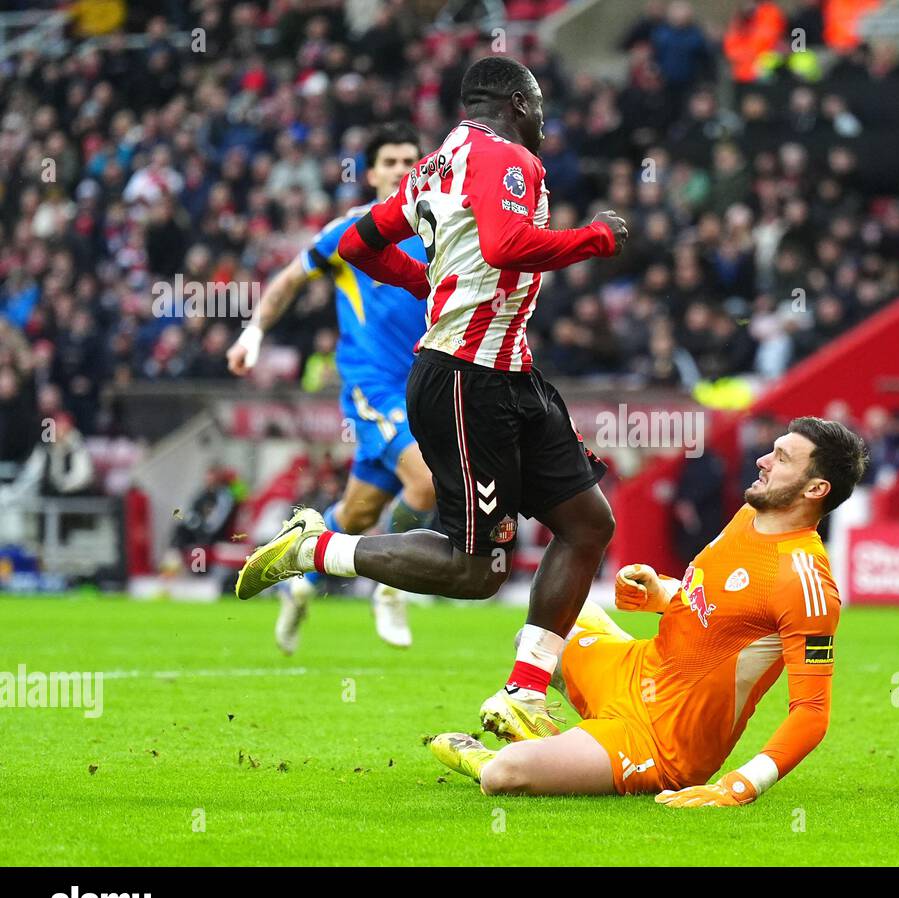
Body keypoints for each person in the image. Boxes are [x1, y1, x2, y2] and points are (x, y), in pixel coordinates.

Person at [234, 57, 629, 743]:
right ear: (515, 102)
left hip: (509, 372)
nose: (542, 121)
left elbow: (360, 242)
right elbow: (507, 245)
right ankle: (318, 548)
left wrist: (423, 280)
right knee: (475, 569)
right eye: (537, 105)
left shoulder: (436, 165)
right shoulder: (506, 156)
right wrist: (595, 237)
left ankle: (523, 695)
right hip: (465, 379)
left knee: (588, 523)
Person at [427, 417, 866, 804]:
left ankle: (510, 756)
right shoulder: (748, 515)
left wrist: (740, 785)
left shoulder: (807, 583)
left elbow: (811, 712)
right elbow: (713, 604)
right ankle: (563, 745)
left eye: (783, 457)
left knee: (506, 774)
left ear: (815, 489)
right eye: (772, 450)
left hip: (659, 740)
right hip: (634, 670)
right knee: (539, 633)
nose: (763, 460)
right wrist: (661, 593)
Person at [226, 124, 436, 654]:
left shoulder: (442, 225)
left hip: (429, 387)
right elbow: (289, 281)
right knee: (429, 484)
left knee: (359, 513)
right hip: (373, 386)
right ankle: (392, 588)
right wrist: (252, 333)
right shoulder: (351, 230)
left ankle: (302, 578)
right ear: (370, 172)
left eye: (409, 158)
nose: (399, 169)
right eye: (388, 161)